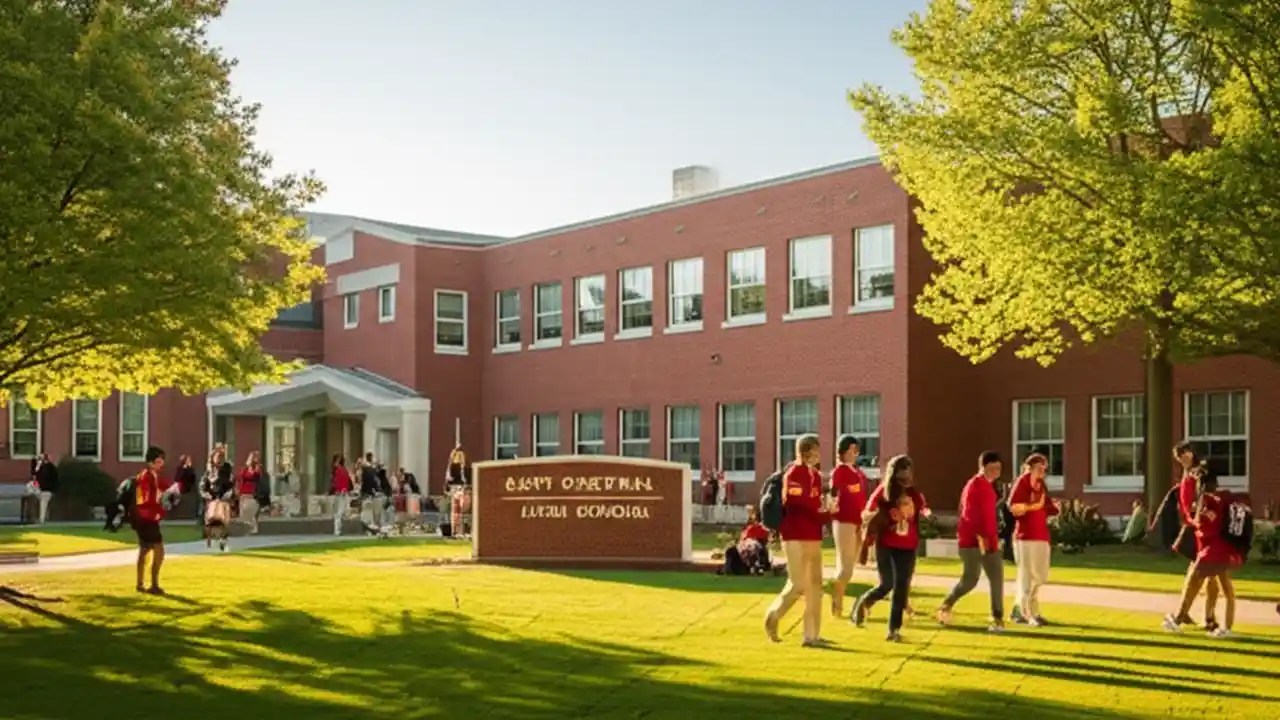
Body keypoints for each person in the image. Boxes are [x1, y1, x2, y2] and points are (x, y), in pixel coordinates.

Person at [763, 434, 829, 647]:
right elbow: (797, 501)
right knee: (798, 583)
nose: (817, 455)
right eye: (813, 451)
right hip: (793, 534)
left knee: (815, 586)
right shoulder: (793, 473)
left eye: (818, 451)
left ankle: (811, 636)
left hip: (813, 534)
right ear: (803, 451)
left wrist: (827, 512)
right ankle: (774, 615)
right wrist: (817, 507)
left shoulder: (817, 476)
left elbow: (815, 506)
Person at [853, 455, 927, 642]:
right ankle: (864, 603)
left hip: (908, 545)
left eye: (909, 469)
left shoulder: (914, 494)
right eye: (902, 469)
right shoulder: (884, 492)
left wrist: (925, 513)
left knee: (901, 587)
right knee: (887, 584)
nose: (906, 474)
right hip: (887, 545)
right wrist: (884, 517)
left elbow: (924, 510)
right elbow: (867, 515)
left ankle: (893, 630)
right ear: (894, 473)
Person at [1163, 467, 1240, 638]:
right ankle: (1219, 624)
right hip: (1223, 550)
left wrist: (1198, 513)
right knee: (1225, 588)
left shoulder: (1206, 499)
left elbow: (1195, 520)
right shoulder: (1224, 498)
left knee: (1193, 582)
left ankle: (1177, 619)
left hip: (1211, 551)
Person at [937, 451, 1006, 632]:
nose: (996, 472)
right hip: (973, 541)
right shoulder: (975, 486)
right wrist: (981, 536)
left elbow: (989, 516)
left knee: (997, 577)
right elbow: (969, 515)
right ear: (983, 467)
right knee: (970, 580)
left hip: (989, 540)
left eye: (998, 468)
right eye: (992, 468)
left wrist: (993, 539)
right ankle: (946, 604)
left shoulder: (988, 487)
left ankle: (997, 617)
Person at [1172, 442, 1220, 631]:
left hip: (1201, 527)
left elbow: (1205, 495)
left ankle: (1184, 614)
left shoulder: (1199, 472)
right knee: (1205, 573)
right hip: (1192, 525)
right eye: (1178, 456)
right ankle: (1207, 617)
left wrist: (1201, 511)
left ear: (1192, 453)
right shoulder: (1187, 472)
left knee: (1201, 573)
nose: (1182, 458)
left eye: (1184, 454)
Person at [1009, 453, 1059, 626]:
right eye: (1039, 468)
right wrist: (1032, 507)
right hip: (1025, 536)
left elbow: (1048, 506)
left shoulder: (1041, 485)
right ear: (1030, 467)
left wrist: (1055, 508)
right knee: (1027, 576)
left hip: (1041, 535)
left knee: (1040, 575)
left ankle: (1025, 609)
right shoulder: (1022, 482)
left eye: (1044, 468)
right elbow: (1013, 507)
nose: (1042, 471)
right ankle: (1026, 613)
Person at [829, 435, 869, 617]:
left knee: (850, 566)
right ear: (842, 451)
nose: (854, 454)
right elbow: (834, 495)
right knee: (846, 566)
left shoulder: (857, 473)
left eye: (856, 450)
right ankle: (836, 602)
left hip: (858, 521)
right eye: (850, 450)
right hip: (844, 521)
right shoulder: (840, 472)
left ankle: (838, 600)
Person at [132, 446, 172, 594]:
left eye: (162, 460)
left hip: (145, 518)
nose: (162, 463)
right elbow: (146, 499)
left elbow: (164, 487)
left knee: (144, 550)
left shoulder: (153, 476)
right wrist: (159, 506)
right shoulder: (145, 477)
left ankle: (140, 583)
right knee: (158, 550)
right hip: (146, 518)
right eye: (159, 461)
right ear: (150, 462)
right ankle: (153, 584)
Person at [201, 448, 235, 552]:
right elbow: (203, 485)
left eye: (221, 457)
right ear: (213, 458)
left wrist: (229, 493)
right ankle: (209, 540)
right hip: (212, 499)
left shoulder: (227, 470)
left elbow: (232, 483)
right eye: (217, 457)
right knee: (210, 520)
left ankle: (223, 540)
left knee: (224, 521)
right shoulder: (208, 472)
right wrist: (206, 494)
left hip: (224, 498)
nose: (219, 459)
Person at [237, 451, 264, 535]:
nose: (253, 460)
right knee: (244, 512)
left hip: (251, 494)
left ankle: (253, 528)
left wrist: (255, 468)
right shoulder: (244, 469)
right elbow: (240, 479)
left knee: (250, 510)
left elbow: (257, 477)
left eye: (255, 458)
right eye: (252, 458)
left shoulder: (257, 470)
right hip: (243, 493)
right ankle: (250, 528)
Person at [31, 452, 58, 524]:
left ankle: (42, 519)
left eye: (41, 459)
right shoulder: (41, 467)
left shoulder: (48, 467)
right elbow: (34, 474)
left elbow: (50, 478)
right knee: (43, 502)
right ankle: (44, 517)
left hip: (47, 489)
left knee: (43, 502)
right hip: (42, 488)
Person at [331, 454, 352, 536]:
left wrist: (340, 490)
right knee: (340, 511)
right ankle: (337, 530)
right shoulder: (343, 470)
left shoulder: (339, 470)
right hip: (343, 492)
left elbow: (338, 482)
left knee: (338, 512)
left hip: (340, 493)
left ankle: (337, 530)